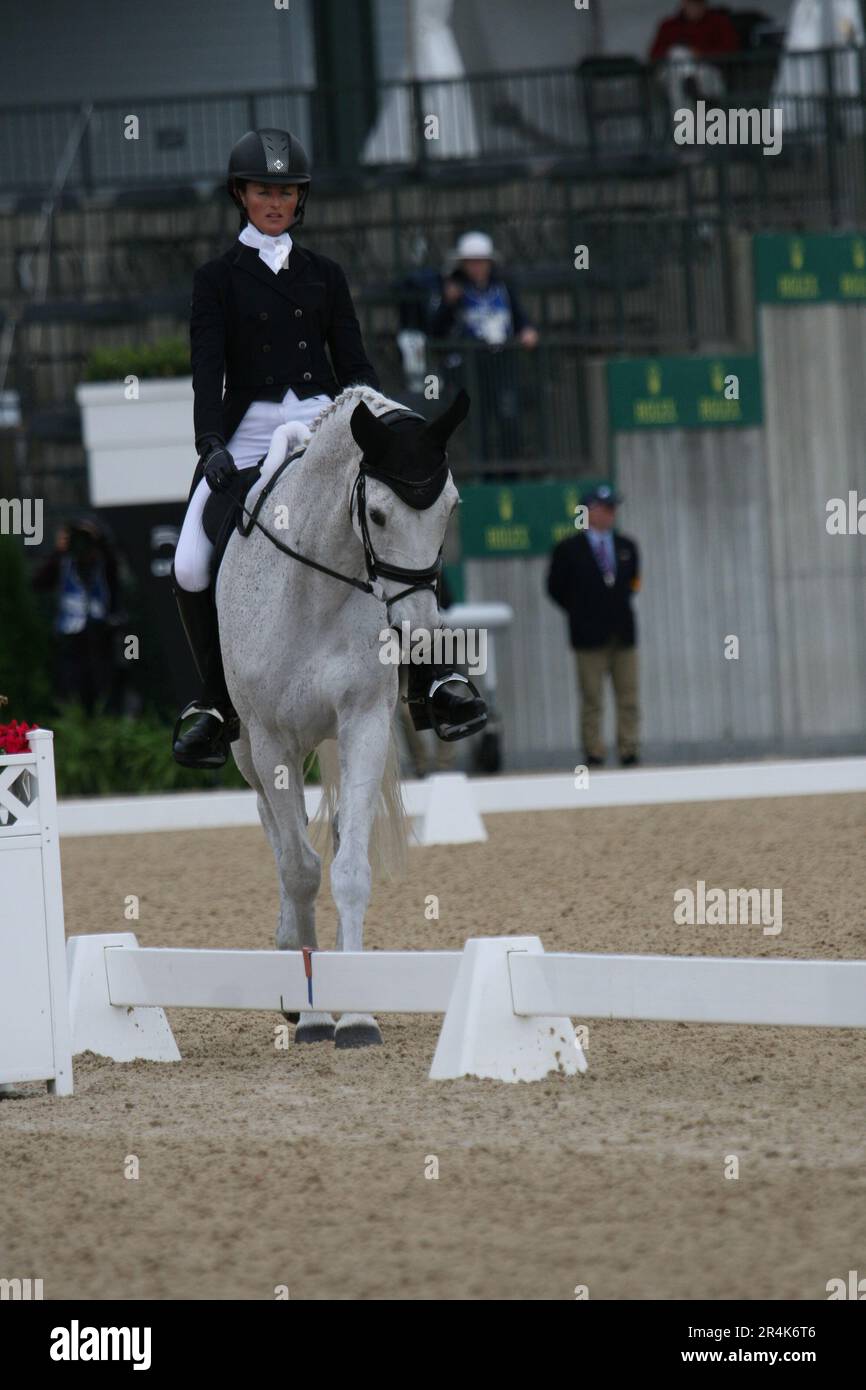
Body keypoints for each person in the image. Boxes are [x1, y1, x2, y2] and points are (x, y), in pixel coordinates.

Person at [171, 127, 485, 768]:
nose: (275, 202)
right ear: (242, 195)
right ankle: (214, 702)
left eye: (285, 192)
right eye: (264, 190)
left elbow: (356, 365)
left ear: (299, 200)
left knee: (404, 517)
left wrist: (377, 426)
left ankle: (434, 680)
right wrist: (209, 443)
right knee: (189, 563)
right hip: (251, 430)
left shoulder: (325, 275)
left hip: (326, 425)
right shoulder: (217, 279)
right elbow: (208, 369)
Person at [546, 484, 640, 768]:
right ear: (590, 511)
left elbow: (633, 583)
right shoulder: (568, 550)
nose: (611, 514)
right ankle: (593, 750)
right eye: (606, 508)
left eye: (613, 509)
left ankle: (629, 747)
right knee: (592, 697)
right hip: (588, 636)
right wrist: (580, 611)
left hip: (622, 633)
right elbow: (555, 588)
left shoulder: (627, 546)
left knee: (629, 695)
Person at [429, 231, 538, 468]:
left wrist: (527, 330)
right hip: (473, 365)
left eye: (480, 261)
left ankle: (512, 471)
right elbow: (436, 329)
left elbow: (519, 318)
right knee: (480, 420)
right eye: (471, 262)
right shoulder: (454, 291)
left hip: (503, 360)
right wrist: (449, 303)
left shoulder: (503, 288)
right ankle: (485, 472)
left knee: (509, 415)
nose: (477, 267)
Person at [32, 519, 120, 714]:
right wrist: (57, 552)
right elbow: (37, 583)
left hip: (101, 638)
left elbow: (115, 569)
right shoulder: (62, 563)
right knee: (71, 689)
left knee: (104, 690)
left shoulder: (104, 562)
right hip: (69, 638)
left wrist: (98, 540)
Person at [649, 1, 740, 113]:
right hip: (674, 78)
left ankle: (684, 124)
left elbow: (730, 52)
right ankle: (689, 85)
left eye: (698, 3)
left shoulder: (718, 22)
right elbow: (654, 56)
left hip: (708, 76)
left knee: (681, 67)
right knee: (678, 55)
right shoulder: (669, 25)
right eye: (691, 3)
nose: (695, 7)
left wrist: (700, 54)